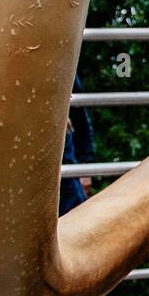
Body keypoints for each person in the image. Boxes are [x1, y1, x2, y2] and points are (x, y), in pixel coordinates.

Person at [59, 73, 94, 216]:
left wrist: (83, 168)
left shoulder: (59, 63)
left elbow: (80, 117)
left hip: (63, 165)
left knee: (74, 215)